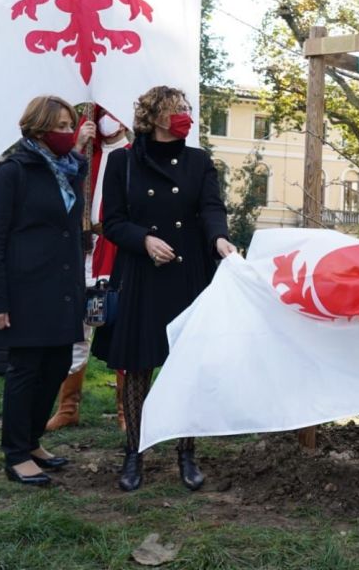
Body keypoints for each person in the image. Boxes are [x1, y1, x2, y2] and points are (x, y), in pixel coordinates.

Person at [91, 86, 236, 492]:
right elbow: (113, 221)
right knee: (137, 366)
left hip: (189, 274)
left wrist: (219, 239)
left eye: (187, 108)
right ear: (154, 116)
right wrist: (144, 240)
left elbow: (211, 208)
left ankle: (186, 453)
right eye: (177, 109)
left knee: (186, 366)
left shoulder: (199, 161)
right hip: (141, 275)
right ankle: (134, 452)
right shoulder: (123, 162)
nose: (186, 115)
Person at [0, 95, 95, 486]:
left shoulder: (67, 169)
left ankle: (31, 442)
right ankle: (15, 454)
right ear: (38, 128)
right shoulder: (14, 171)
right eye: (61, 126)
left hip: (62, 288)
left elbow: (68, 224)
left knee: (57, 365)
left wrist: (78, 153)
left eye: (70, 125)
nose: (68, 132)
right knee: (26, 370)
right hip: (25, 290)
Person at [46, 108, 129, 431]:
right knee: (76, 327)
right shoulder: (80, 154)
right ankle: (68, 407)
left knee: (122, 327)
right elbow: (57, 183)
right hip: (83, 250)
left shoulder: (136, 154)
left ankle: (125, 410)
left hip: (119, 251)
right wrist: (78, 145)